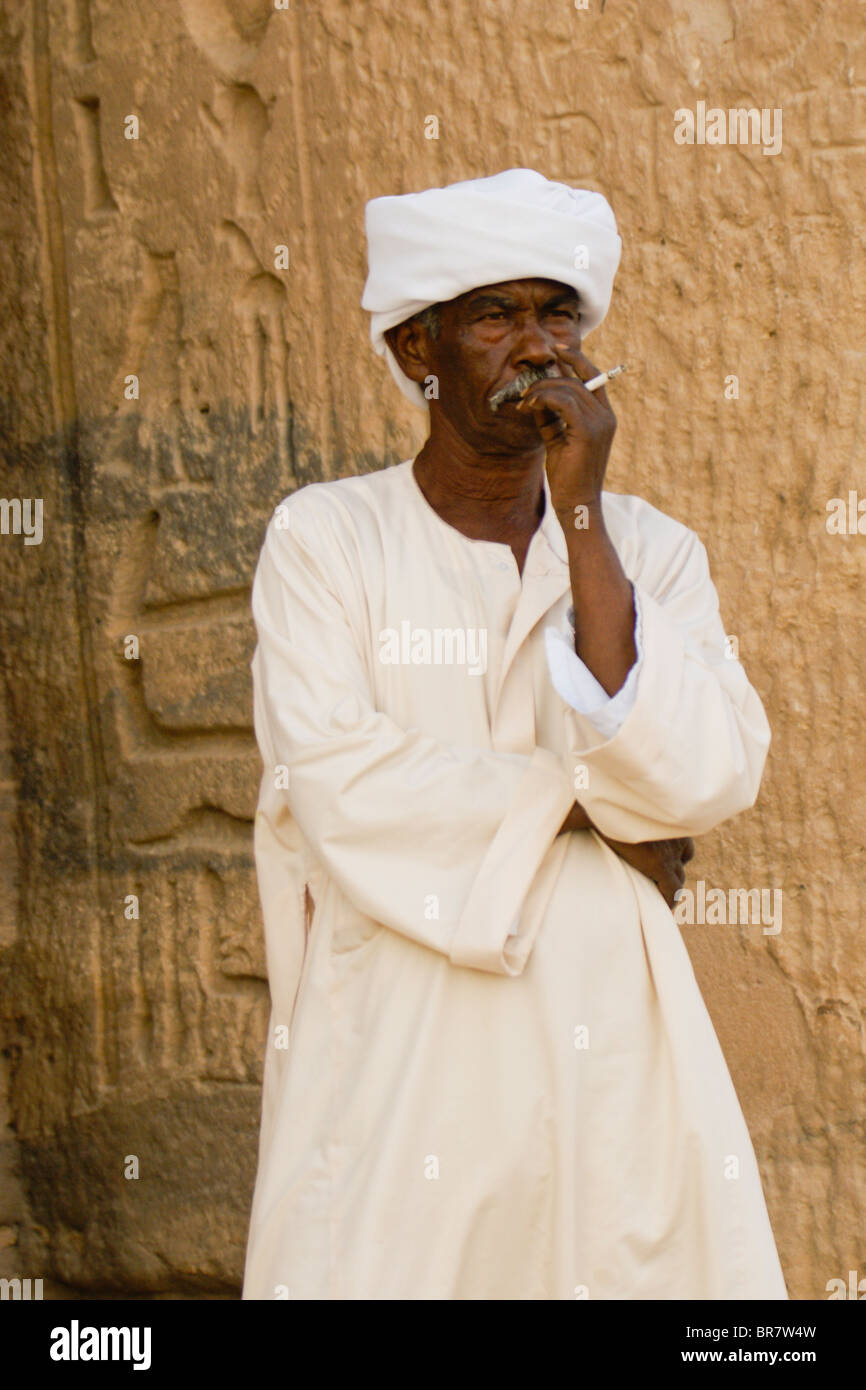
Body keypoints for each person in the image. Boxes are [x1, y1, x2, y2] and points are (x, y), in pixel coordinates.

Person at [241, 168, 787, 1300]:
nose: (535, 347)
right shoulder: (325, 539)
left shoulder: (649, 548)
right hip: (401, 1043)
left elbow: (705, 772)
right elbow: (338, 778)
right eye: (494, 315)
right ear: (415, 350)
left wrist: (582, 508)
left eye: (556, 314)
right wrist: (588, 810)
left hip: (613, 1047)